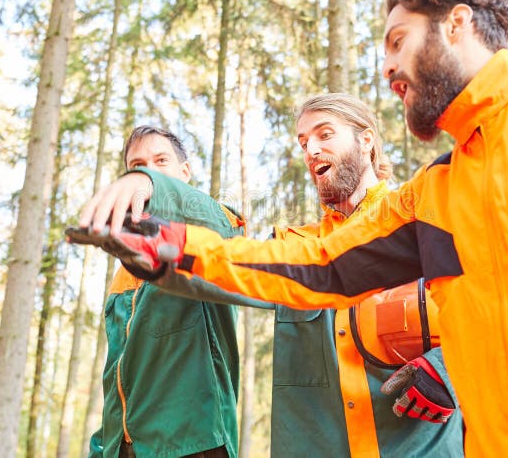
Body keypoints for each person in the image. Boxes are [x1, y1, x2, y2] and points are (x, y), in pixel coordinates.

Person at [77, 0, 508, 456]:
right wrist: (178, 248)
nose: (388, 66)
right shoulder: (434, 196)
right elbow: (320, 265)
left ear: (457, 24)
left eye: (398, 42)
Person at [100, 93, 464, 457]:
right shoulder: (296, 247)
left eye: (324, 134)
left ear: (366, 140)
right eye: (304, 142)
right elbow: (229, 273)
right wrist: (156, 252)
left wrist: (448, 370)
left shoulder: (423, 221)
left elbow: (494, 302)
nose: (311, 150)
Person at [85, 126, 244, 458]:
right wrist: (104, 446)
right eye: (138, 164)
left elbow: (226, 227)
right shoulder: (123, 273)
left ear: (184, 173)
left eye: (161, 161)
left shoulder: (210, 228)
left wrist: (151, 183)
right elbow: (118, 371)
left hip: (194, 443)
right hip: (126, 448)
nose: (148, 169)